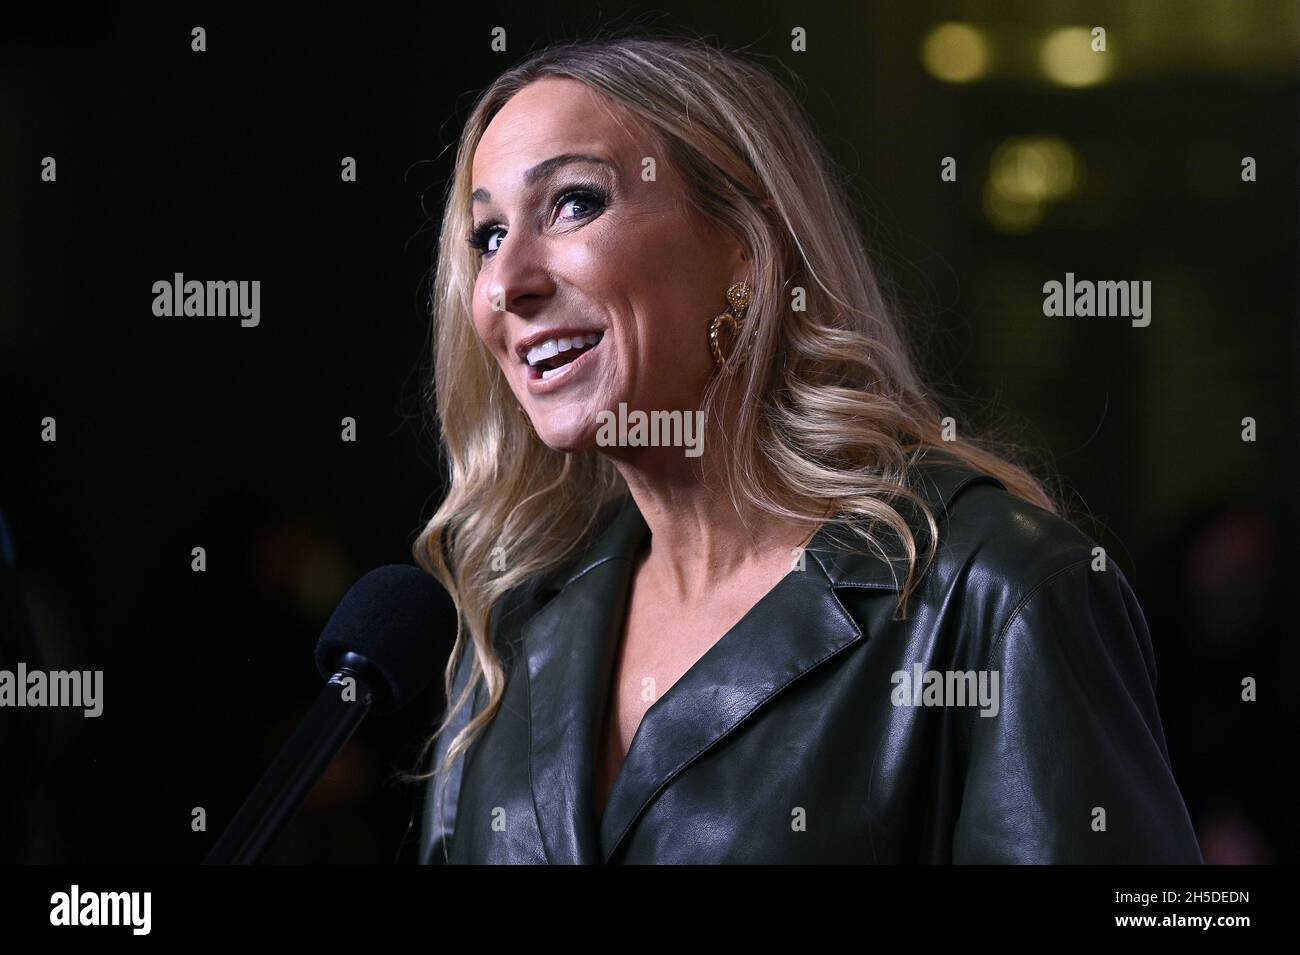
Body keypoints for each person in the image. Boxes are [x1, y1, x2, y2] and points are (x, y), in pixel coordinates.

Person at [408, 36, 1203, 864]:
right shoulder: (507, 639)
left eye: (573, 203)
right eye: (487, 235)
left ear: (747, 247)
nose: (505, 283)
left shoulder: (993, 594)